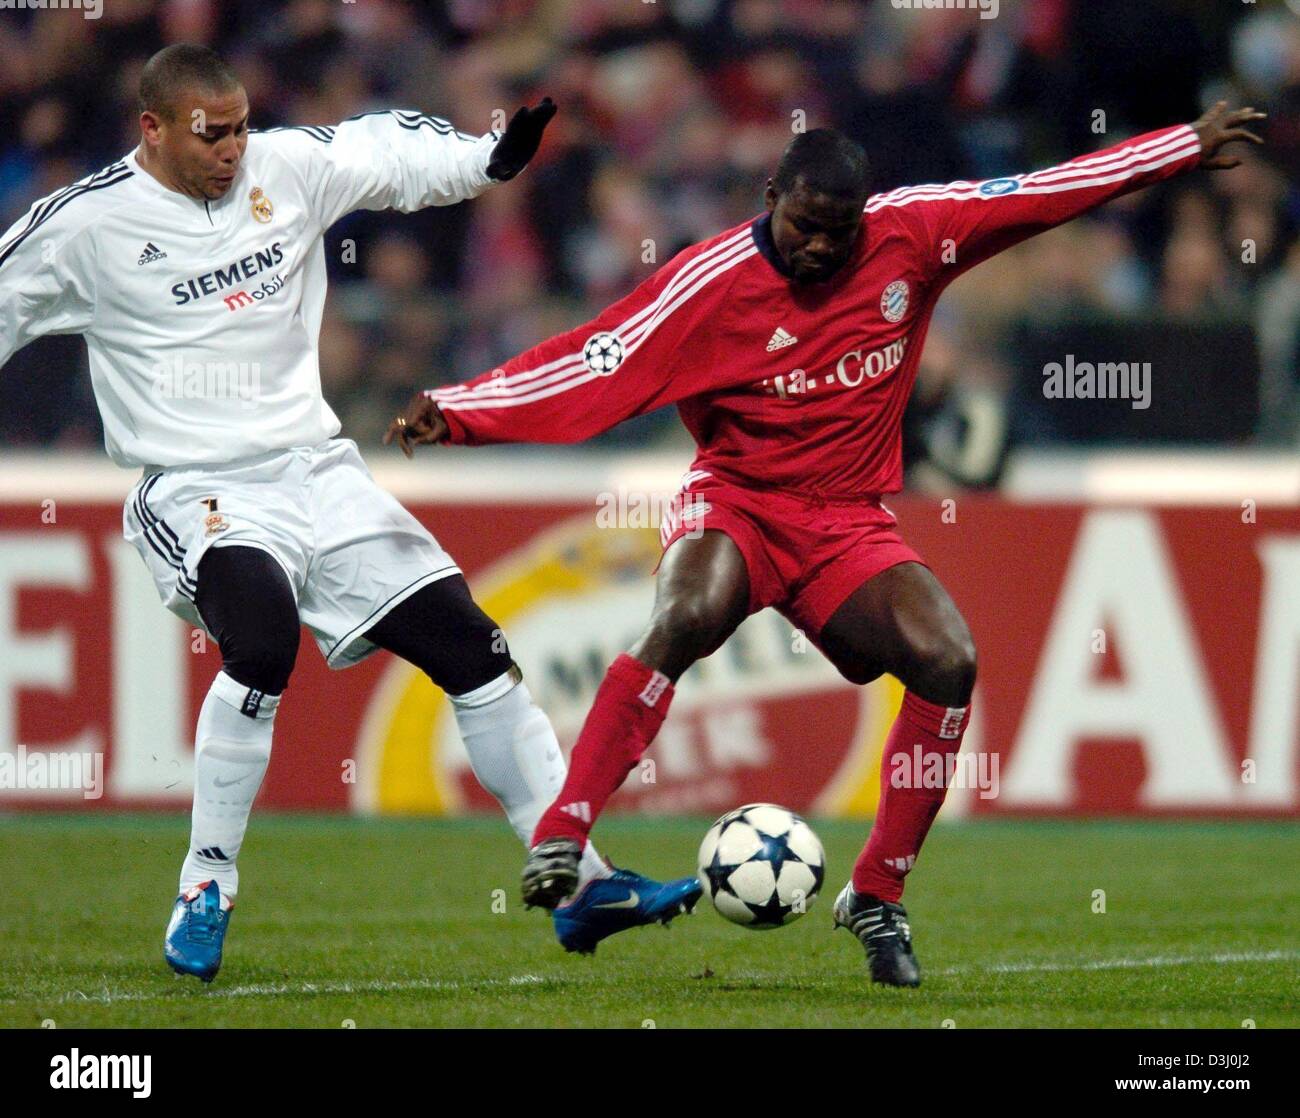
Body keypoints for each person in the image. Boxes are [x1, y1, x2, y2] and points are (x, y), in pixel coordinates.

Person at [388, 102, 1264, 986]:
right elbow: (595, 361)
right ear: (772, 197)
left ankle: (877, 895)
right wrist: (461, 411)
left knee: (949, 660)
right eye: (805, 227)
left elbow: (1045, 192)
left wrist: (1181, 146)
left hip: (846, 520)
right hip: (736, 499)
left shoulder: (914, 234)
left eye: (839, 234)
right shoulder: (710, 283)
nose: (820, 248)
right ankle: (563, 837)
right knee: (685, 613)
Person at [0, 44, 700, 982]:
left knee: (476, 652)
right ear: (153, 129)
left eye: (243, 126)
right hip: (195, 484)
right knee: (259, 640)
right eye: (212, 134)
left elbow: (390, 152)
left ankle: (579, 885)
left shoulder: (282, 168)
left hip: (318, 474)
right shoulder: (84, 226)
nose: (234, 149)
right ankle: (206, 883)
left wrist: (488, 161)